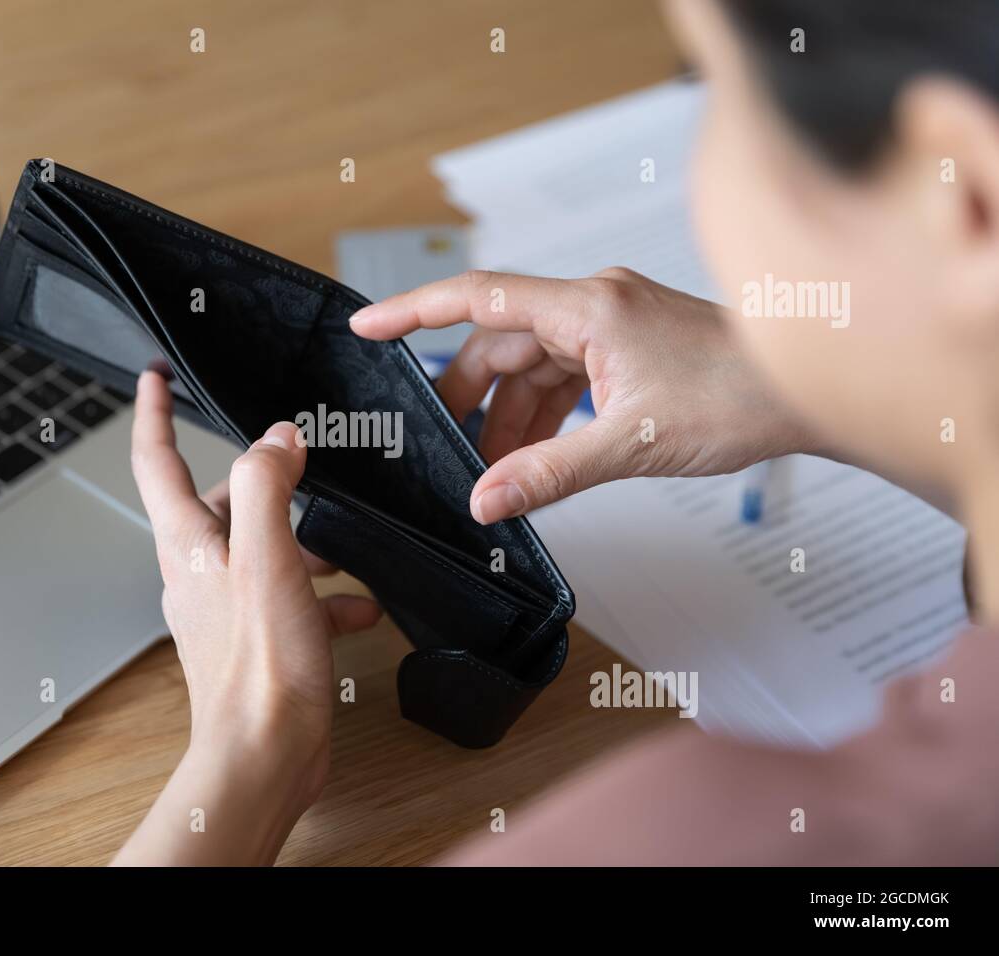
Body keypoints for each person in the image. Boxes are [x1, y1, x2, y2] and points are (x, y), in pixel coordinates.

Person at [112, 0, 999, 865]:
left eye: (710, 91)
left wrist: (250, 748)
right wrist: (804, 386)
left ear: (965, 191)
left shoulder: (692, 836)